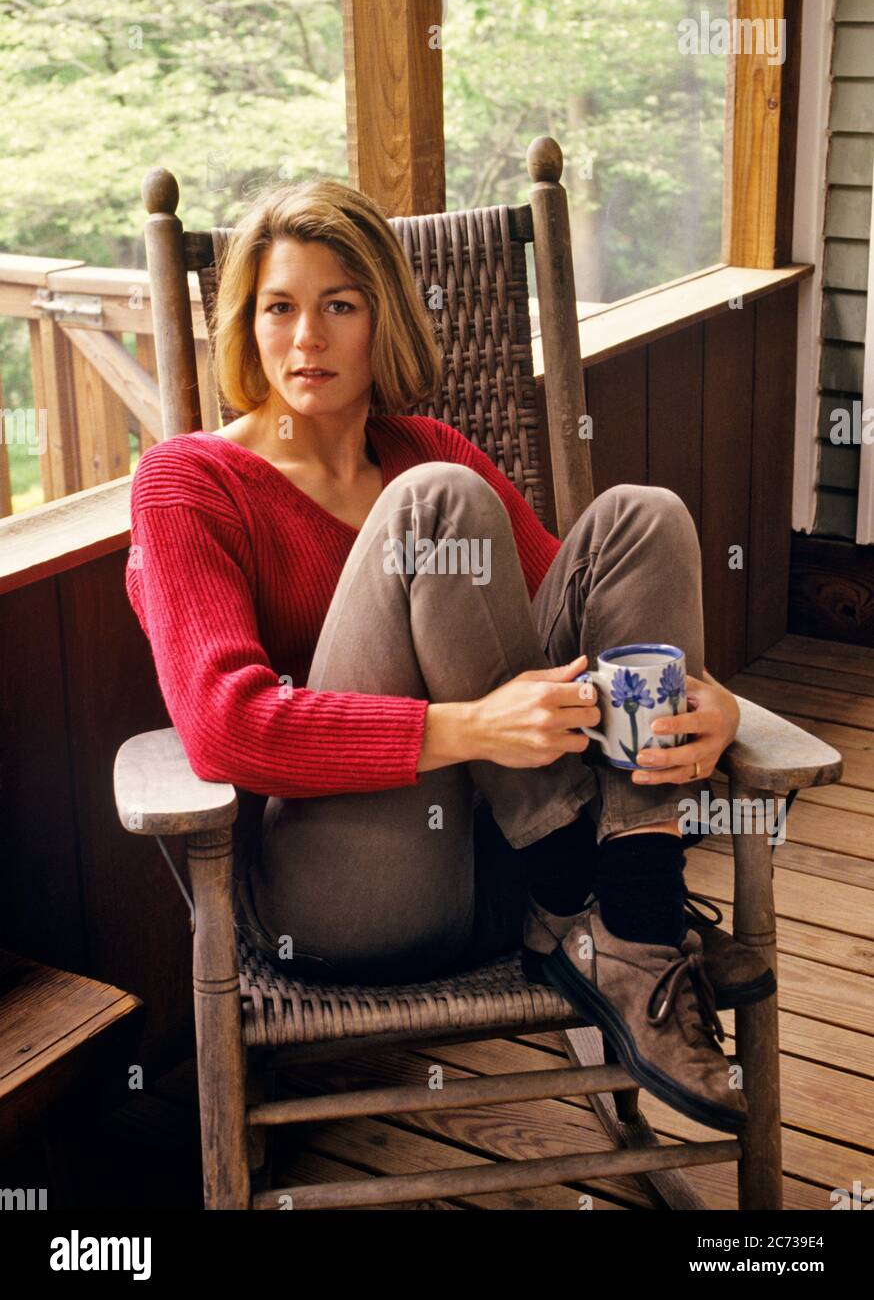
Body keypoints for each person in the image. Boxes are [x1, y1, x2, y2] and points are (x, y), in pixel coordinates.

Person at [125, 176, 773, 1134]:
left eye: (338, 306)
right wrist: (470, 728)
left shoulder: (431, 446)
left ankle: (635, 918)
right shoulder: (190, 482)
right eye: (279, 307)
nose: (306, 337)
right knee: (437, 507)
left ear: (381, 320)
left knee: (643, 518)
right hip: (351, 890)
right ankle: (579, 894)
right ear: (246, 327)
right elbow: (225, 728)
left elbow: (589, 623)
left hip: (501, 880)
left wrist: (710, 699)